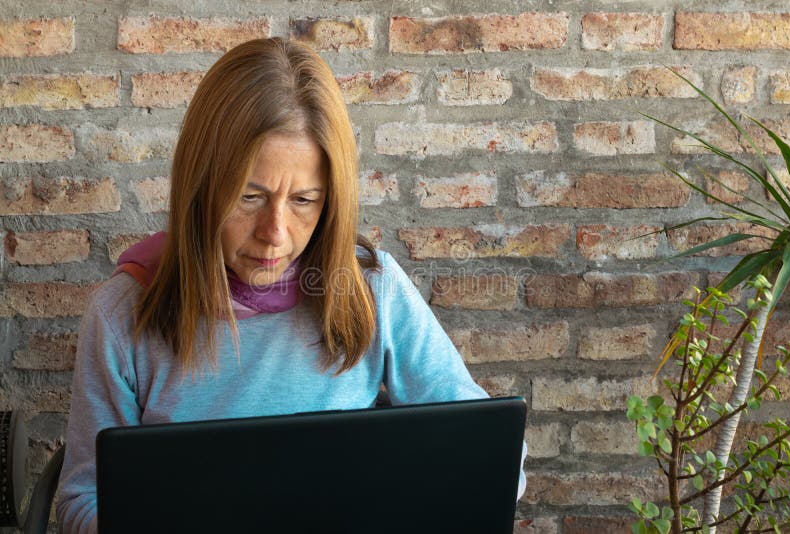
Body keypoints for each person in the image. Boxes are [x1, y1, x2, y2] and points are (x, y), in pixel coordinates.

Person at [56, 37, 526, 533]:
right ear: (201, 186)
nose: (275, 234)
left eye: (304, 200)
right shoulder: (125, 313)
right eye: (248, 197)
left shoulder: (369, 290)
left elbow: (494, 458)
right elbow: (81, 502)